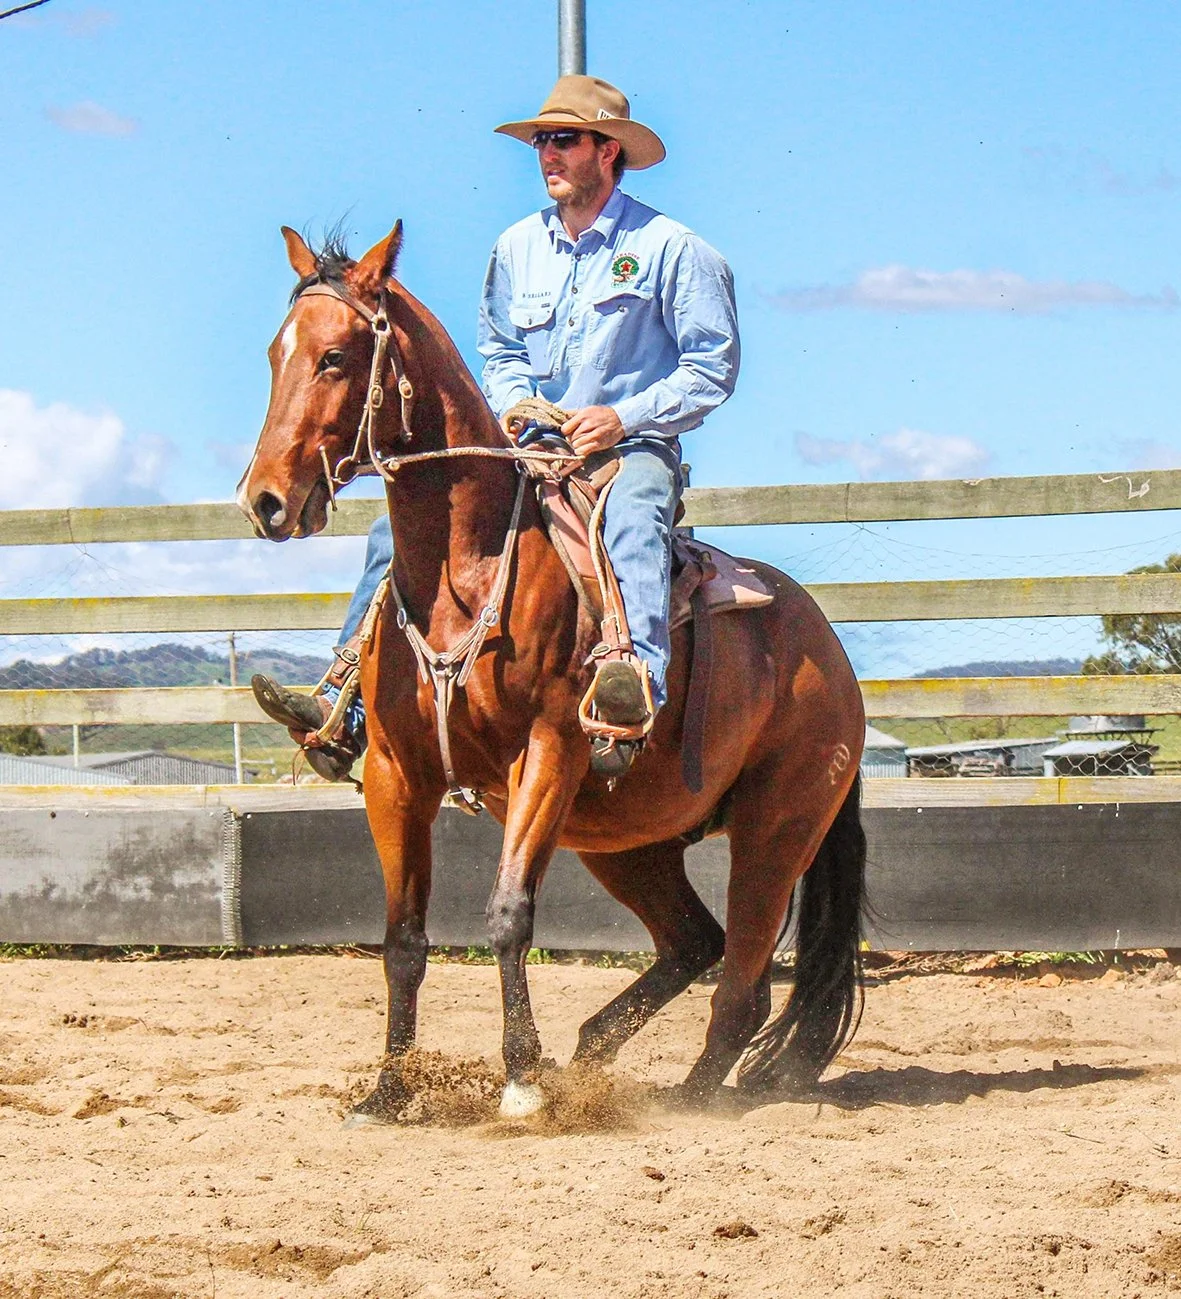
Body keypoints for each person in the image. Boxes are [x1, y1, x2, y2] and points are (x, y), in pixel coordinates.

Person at [253, 74, 739, 782]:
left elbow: (711, 366)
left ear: (608, 152)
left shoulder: (672, 248)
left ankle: (630, 682)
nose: (547, 153)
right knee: (399, 526)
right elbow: (500, 351)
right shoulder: (515, 247)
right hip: (526, 444)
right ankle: (343, 697)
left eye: (563, 140)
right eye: (541, 140)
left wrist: (621, 417)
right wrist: (513, 404)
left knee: (633, 516)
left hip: (626, 448)